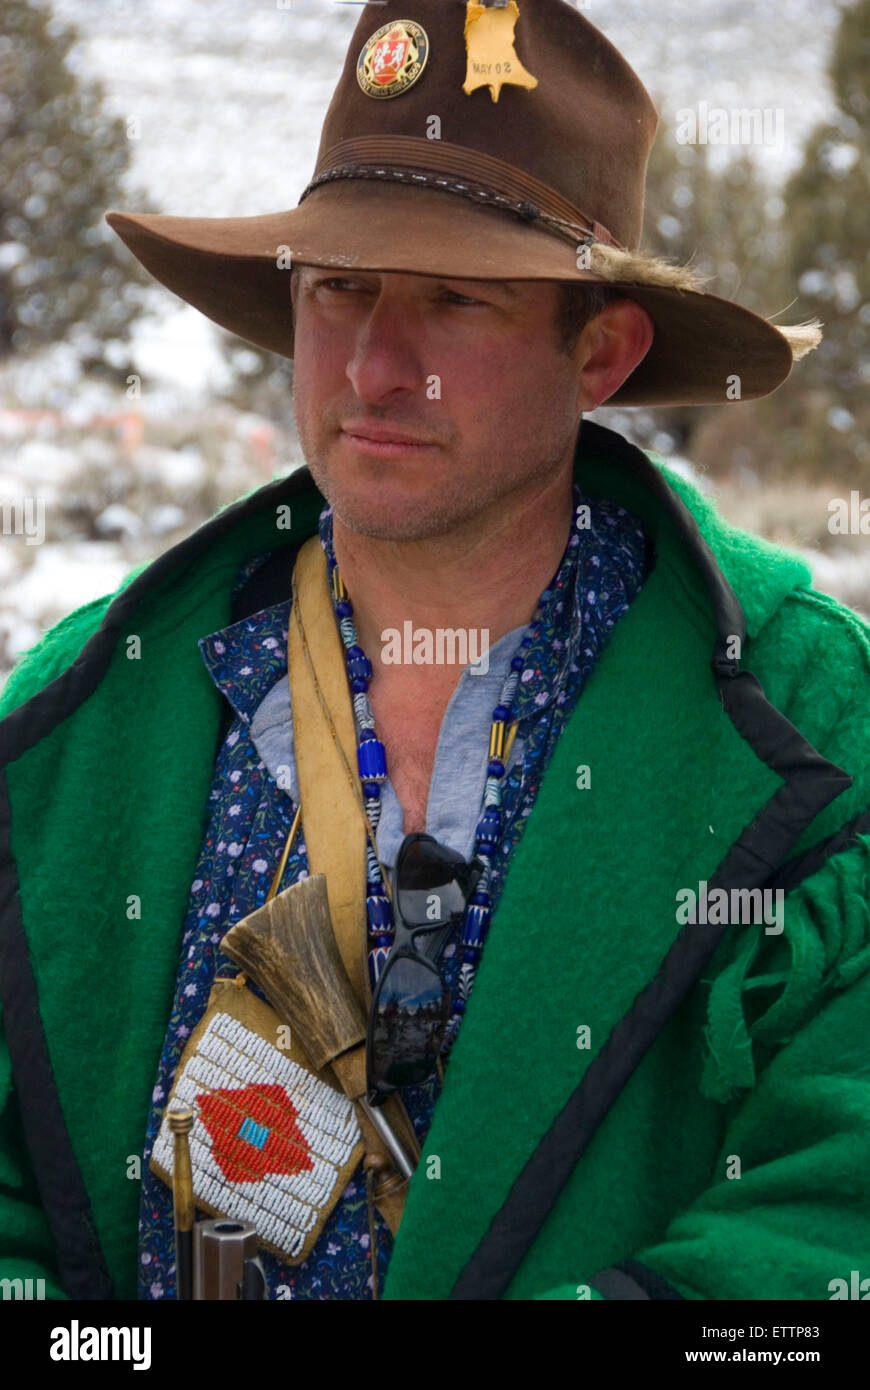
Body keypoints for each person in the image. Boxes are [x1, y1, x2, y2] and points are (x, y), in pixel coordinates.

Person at [0, 0, 868, 1303]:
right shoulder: (76, 717)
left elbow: (834, 1207)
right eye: (339, 288)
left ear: (602, 349)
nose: (373, 364)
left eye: (454, 300)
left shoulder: (820, 725)